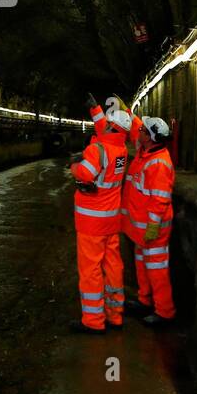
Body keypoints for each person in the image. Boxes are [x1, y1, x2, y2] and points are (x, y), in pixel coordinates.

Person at [68, 96, 132, 333]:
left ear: (112, 126)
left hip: (91, 222)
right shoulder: (120, 149)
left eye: (106, 121)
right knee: (113, 265)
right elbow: (104, 129)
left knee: (90, 270)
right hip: (110, 220)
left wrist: (75, 163)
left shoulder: (97, 149)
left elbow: (85, 173)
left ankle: (93, 321)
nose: (102, 123)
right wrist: (94, 108)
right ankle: (115, 315)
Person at [122, 116, 176, 327]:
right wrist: (128, 112)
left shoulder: (159, 164)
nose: (139, 131)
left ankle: (165, 312)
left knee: (157, 270)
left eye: (143, 130)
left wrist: (152, 227)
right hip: (141, 229)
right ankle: (145, 301)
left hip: (153, 230)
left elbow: (160, 199)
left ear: (150, 138)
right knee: (142, 265)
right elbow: (135, 127)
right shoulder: (145, 152)